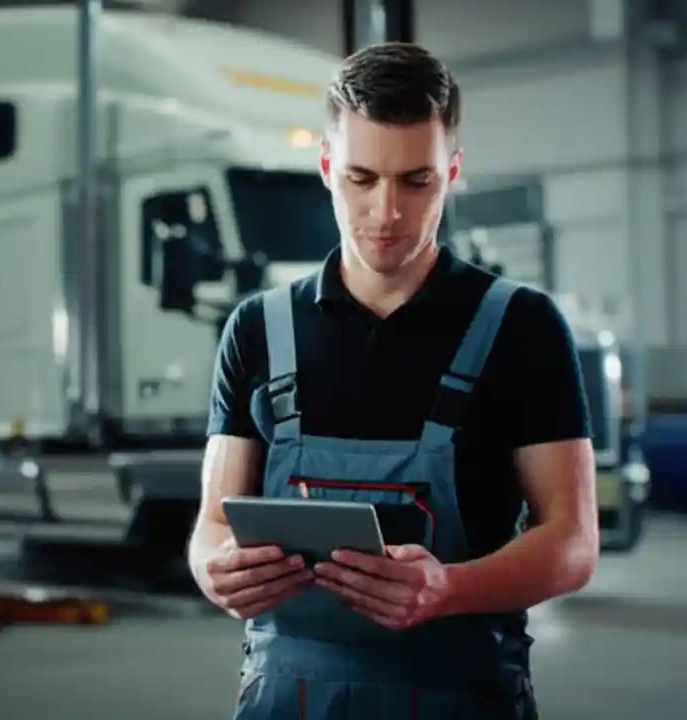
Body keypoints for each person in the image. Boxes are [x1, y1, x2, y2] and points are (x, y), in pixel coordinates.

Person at [187, 42, 599, 720]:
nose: (386, 212)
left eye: (417, 181)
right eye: (360, 178)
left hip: (460, 695)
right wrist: (214, 570)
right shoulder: (258, 329)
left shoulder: (522, 327)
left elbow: (574, 541)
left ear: (453, 173)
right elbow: (211, 523)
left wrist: (450, 588)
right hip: (284, 697)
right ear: (325, 166)